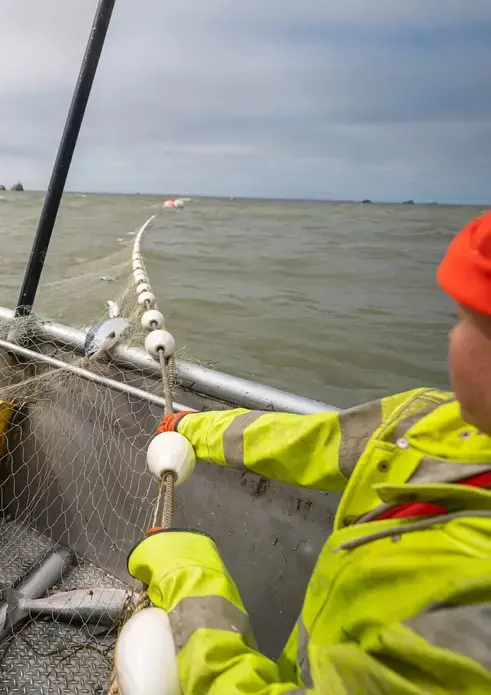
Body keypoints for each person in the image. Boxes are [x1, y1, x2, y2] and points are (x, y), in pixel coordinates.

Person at [126, 211, 491, 694]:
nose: (450, 336)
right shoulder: (429, 419)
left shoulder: (472, 612)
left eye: (465, 320)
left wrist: (190, 581)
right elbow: (312, 441)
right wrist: (197, 428)